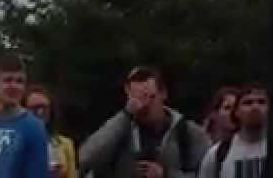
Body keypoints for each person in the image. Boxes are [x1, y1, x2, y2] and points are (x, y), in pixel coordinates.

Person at [79, 65, 210, 178]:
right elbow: (84, 160)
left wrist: (166, 175)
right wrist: (125, 115)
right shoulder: (120, 129)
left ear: (163, 93)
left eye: (150, 97)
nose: (144, 106)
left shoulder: (187, 132)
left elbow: (208, 175)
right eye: (137, 99)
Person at [198, 83, 268, 178]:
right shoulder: (218, 153)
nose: (255, 107)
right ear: (236, 112)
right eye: (248, 103)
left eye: (261, 102)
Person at [26, 85, 79, 178]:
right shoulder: (14, 142)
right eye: (34, 108)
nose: (40, 112)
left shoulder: (65, 144)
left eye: (44, 107)